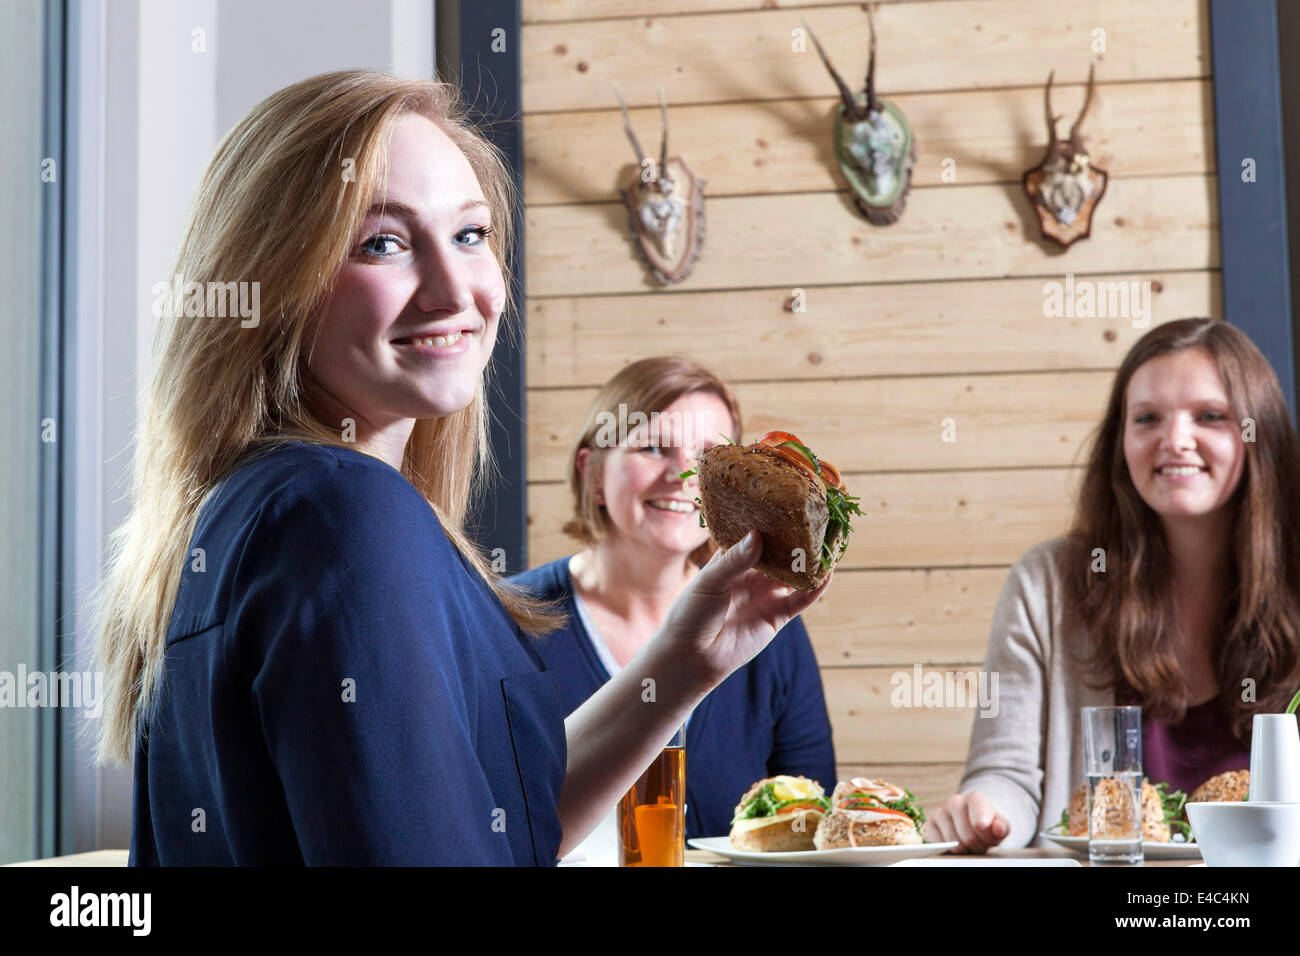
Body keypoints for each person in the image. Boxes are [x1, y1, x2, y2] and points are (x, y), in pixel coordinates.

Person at [91, 70, 831, 866]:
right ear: (274, 283)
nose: (454, 291)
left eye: (471, 235)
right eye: (383, 242)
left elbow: (500, 819)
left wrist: (683, 664)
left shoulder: (258, 505)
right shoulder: (345, 514)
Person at [926, 318, 1300, 853]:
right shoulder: (1047, 584)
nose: (1175, 440)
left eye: (1211, 416)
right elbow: (1007, 775)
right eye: (1147, 418)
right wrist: (982, 814)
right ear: (1120, 441)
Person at [509, 358, 837, 839]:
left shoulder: (768, 625)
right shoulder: (509, 617)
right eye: (651, 447)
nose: (683, 473)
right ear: (593, 472)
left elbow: (811, 817)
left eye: (708, 454)